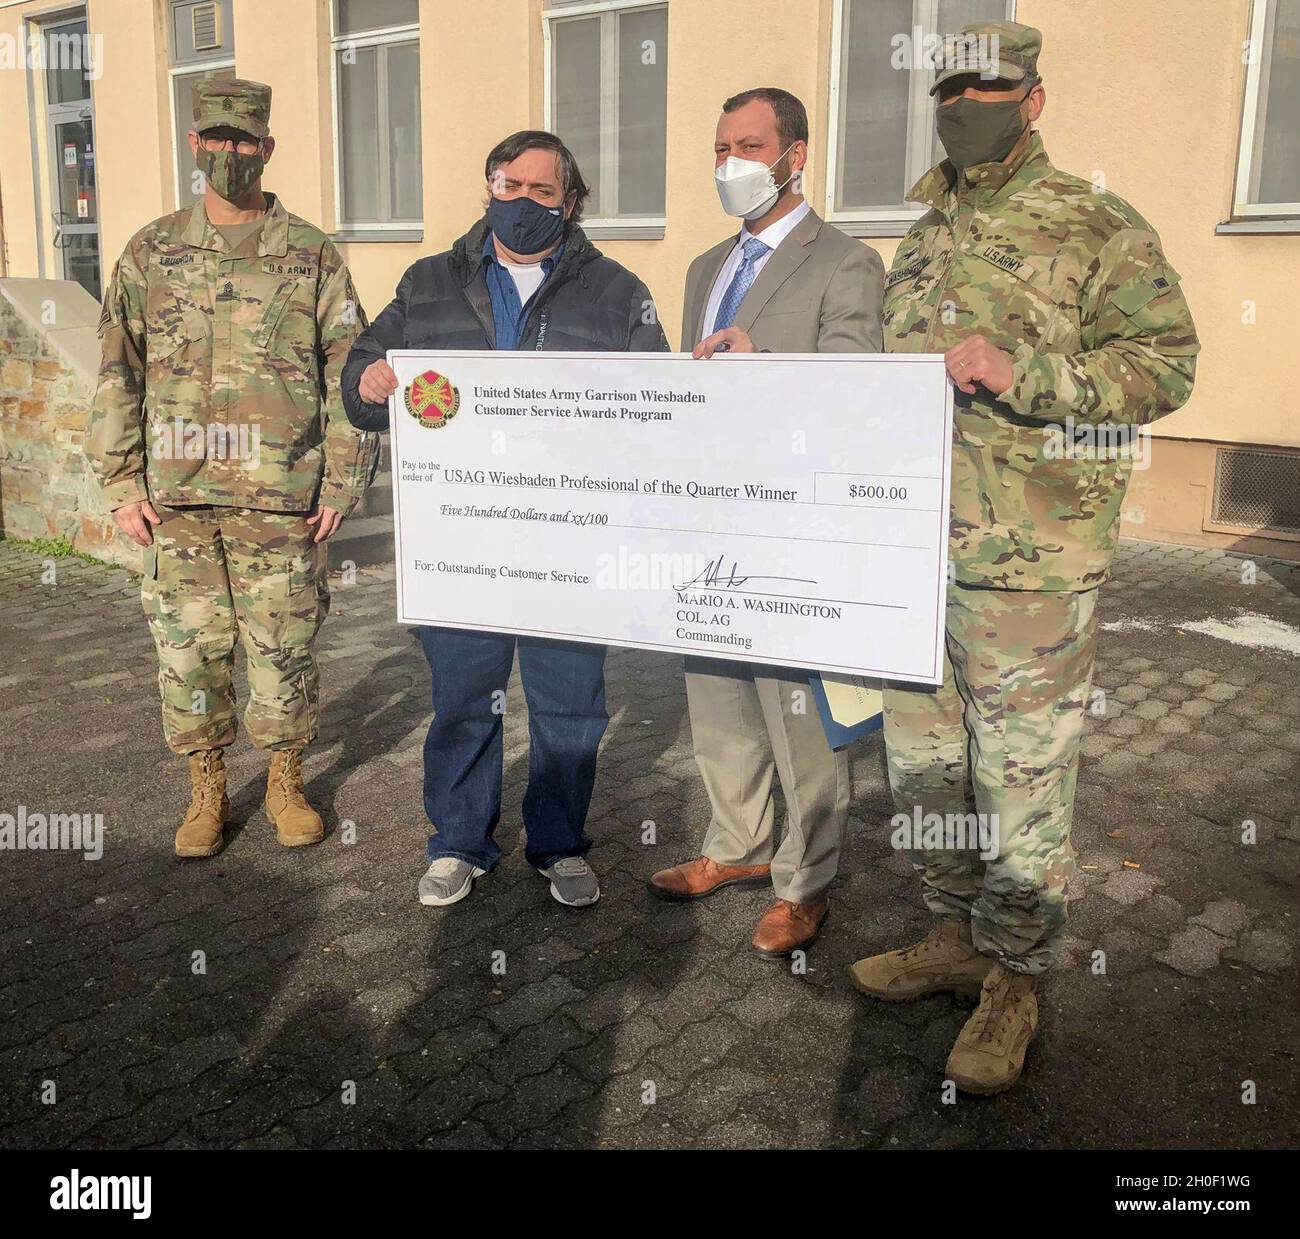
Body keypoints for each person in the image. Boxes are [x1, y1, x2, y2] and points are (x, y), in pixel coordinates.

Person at [848, 21, 1199, 1093]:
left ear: (1032, 99)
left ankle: (1015, 976)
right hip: (912, 553)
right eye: (948, 83)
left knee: (1019, 783)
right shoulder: (917, 236)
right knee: (926, 767)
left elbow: (1163, 367)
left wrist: (1028, 372)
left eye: (987, 85)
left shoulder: (1095, 224)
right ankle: (953, 934)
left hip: (1026, 564)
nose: (964, 101)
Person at [342, 130, 669, 910]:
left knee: (570, 705)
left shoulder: (618, 291)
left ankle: (558, 843)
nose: (522, 201)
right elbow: (360, 374)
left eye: (541, 191)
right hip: (462, 544)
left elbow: (657, 407)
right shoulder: (429, 283)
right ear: (488, 188)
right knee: (464, 700)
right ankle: (458, 840)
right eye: (508, 185)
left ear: (572, 201)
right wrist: (374, 379)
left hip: (569, 546)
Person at [86, 78, 379, 859]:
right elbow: (117, 366)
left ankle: (285, 778)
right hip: (176, 498)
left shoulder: (312, 253)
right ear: (194, 145)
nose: (229, 153)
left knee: (283, 645)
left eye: (244, 141)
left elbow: (350, 374)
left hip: (279, 498)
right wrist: (120, 483)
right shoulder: (152, 251)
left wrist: (344, 480)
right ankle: (206, 785)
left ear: (268, 148)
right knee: (187, 649)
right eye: (215, 138)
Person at [647, 88, 885, 959]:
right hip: (710, 518)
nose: (729, 163)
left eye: (748, 145)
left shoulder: (847, 262)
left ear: (797, 155)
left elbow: (859, 381)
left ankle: (804, 883)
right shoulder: (705, 266)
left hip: (793, 521)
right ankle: (736, 847)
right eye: (719, 148)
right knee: (717, 698)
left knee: (797, 714)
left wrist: (769, 364)